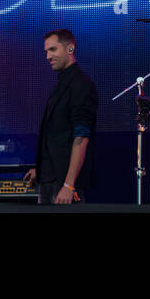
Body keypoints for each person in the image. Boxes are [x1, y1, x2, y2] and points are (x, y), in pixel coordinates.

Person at [24, 29, 97, 204]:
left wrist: (69, 185)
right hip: (49, 181)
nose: (48, 56)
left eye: (53, 50)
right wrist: (41, 170)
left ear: (70, 49)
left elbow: (81, 136)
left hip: (64, 184)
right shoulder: (61, 85)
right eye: (46, 51)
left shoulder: (81, 85)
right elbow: (55, 136)